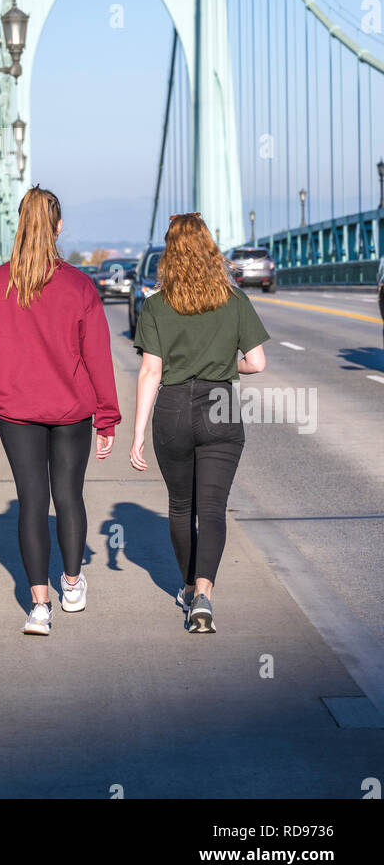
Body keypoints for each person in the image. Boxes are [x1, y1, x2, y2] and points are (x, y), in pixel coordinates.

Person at [0, 185, 121, 635]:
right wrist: (107, 414)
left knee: (32, 501)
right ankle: (72, 584)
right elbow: (97, 356)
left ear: (20, 223)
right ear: (57, 227)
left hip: (15, 410)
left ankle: (39, 606)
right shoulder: (79, 285)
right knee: (68, 496)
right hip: (72, 410)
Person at [130, 212, 269, 634]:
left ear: (169, 254)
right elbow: (257, 363)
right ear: (211, 251)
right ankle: (206, 594)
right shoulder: (235, 300)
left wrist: (136, 434)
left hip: (172, 408)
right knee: (212, 508)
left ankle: (188, 587)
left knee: (180, 506)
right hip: (219, 406)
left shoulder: (155, 305)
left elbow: (151, 372)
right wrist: (225, 364)